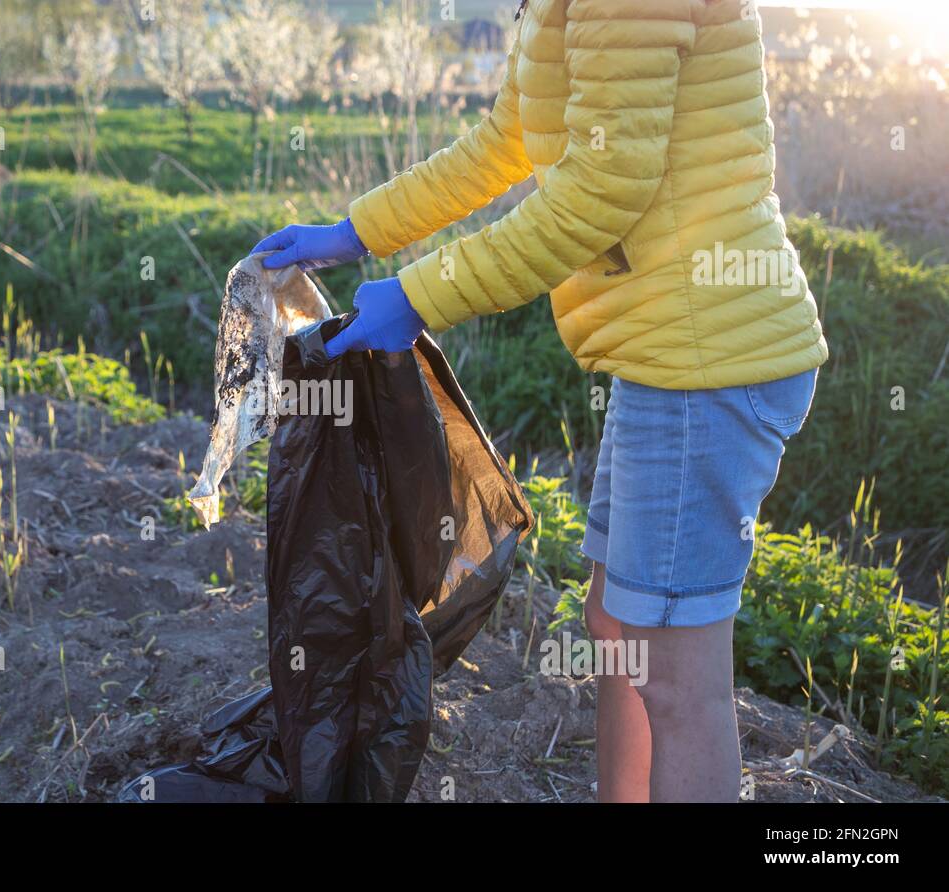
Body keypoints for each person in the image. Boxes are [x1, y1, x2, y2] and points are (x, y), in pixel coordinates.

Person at [252, 0, 827, 803]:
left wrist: (421, 295)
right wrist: (354, 231)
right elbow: (504, 146)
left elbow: (597, 195)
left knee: (672, 676)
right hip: (665, 356)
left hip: (706, 358)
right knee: (618, 633)